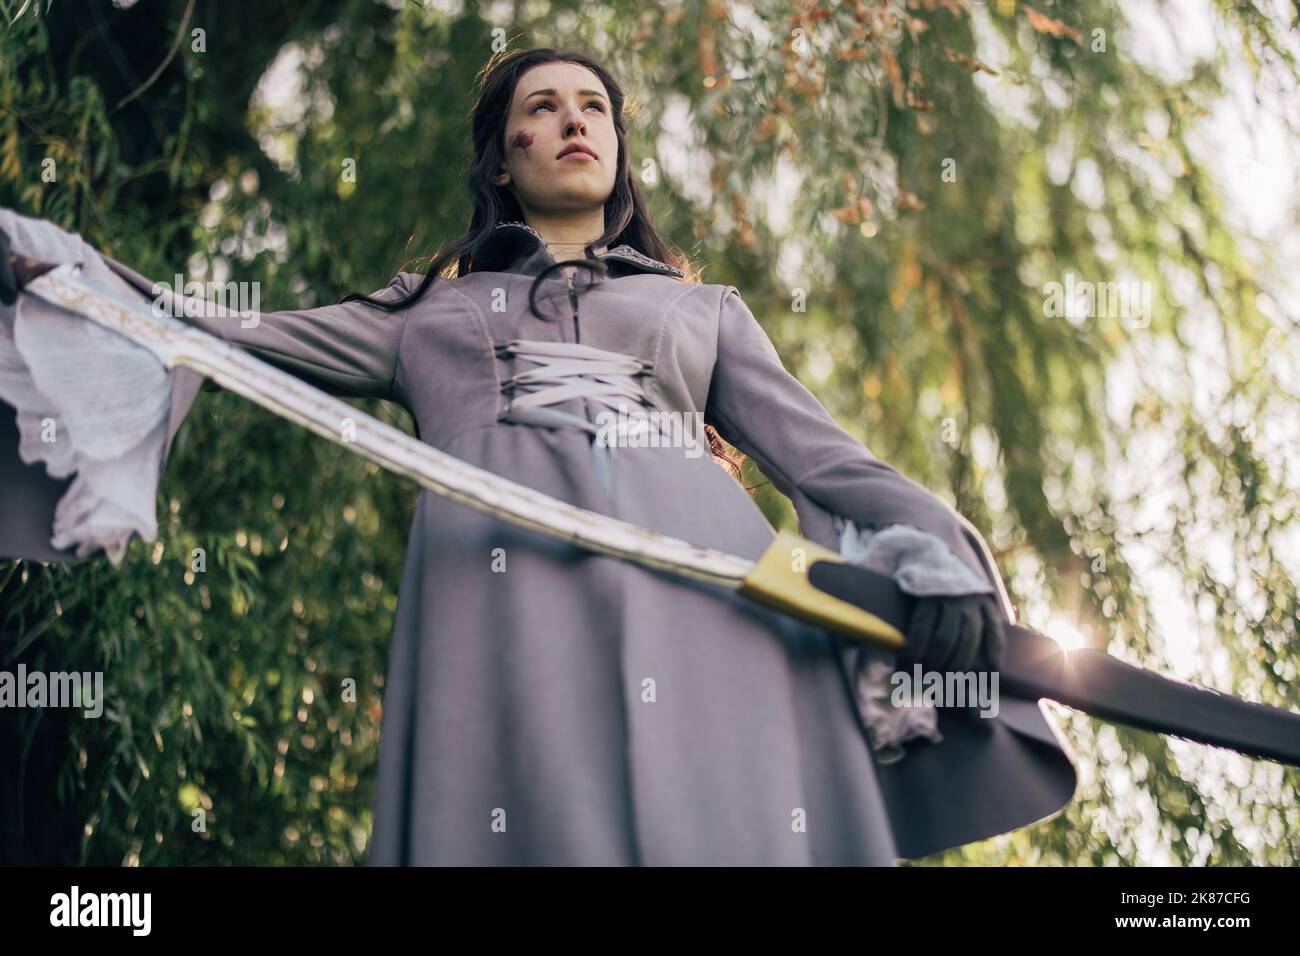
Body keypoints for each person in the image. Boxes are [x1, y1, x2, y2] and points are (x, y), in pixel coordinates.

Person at [0, 47, 1075, 865]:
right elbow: (212, 334)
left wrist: (937, 557)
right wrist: (74, 274)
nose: (573, 122)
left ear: (616, 148)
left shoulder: (699, 309)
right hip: (498, 593)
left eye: (594, 107)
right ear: (503, 156)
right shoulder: (422, 311)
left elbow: (825, 461)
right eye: (542, 107)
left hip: (716, 587)